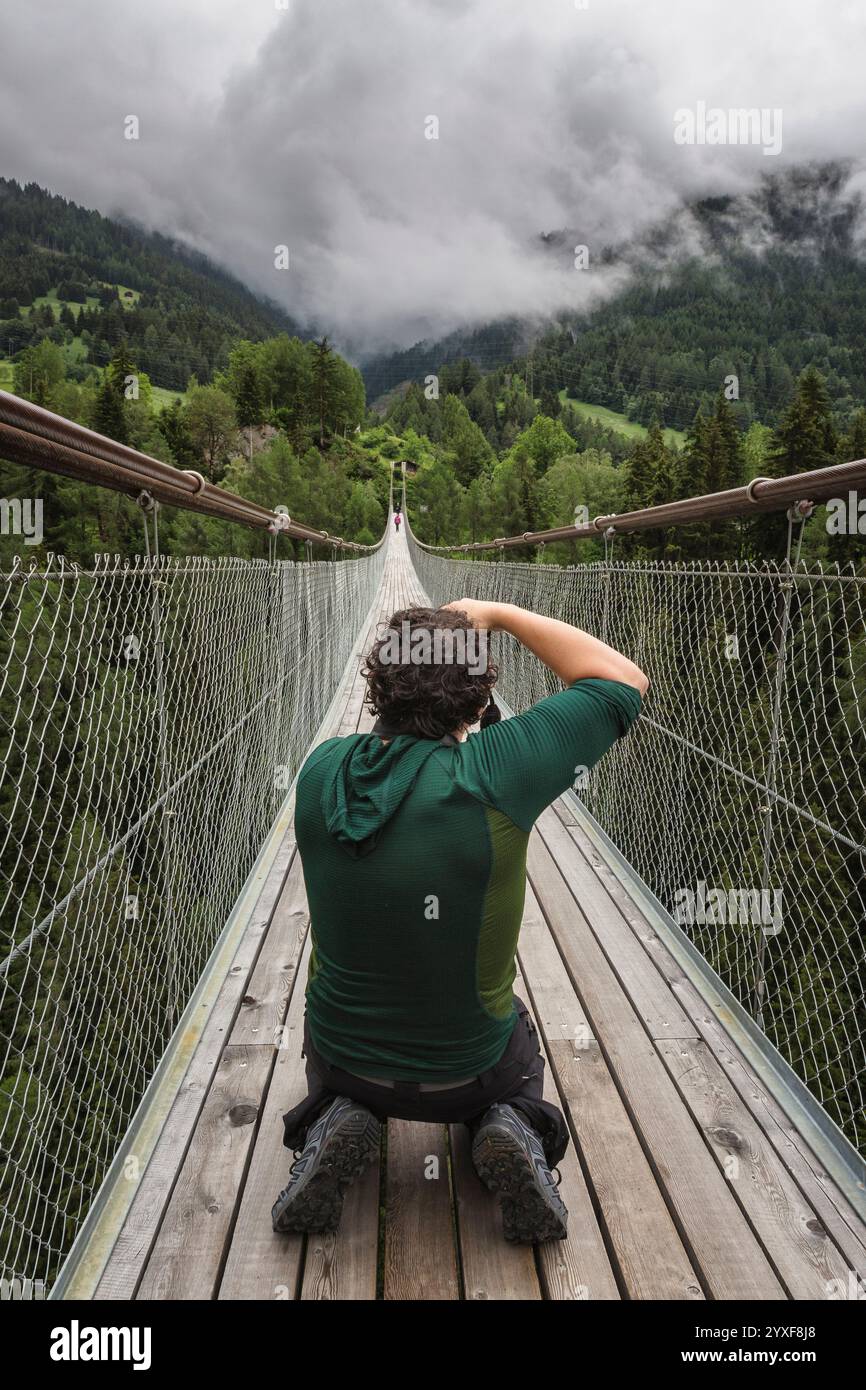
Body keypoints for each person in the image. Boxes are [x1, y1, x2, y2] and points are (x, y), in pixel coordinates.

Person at [273, 598, 648, 1243]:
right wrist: (497, 615)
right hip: (469, 1070)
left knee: (337, 1016)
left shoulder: (320, 772)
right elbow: (621, 680)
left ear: (377, 686)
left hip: (345, 1059)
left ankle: (337, 1115)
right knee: (514, 1026)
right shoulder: (498, 772)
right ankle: (509, 1121)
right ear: (477, 706)